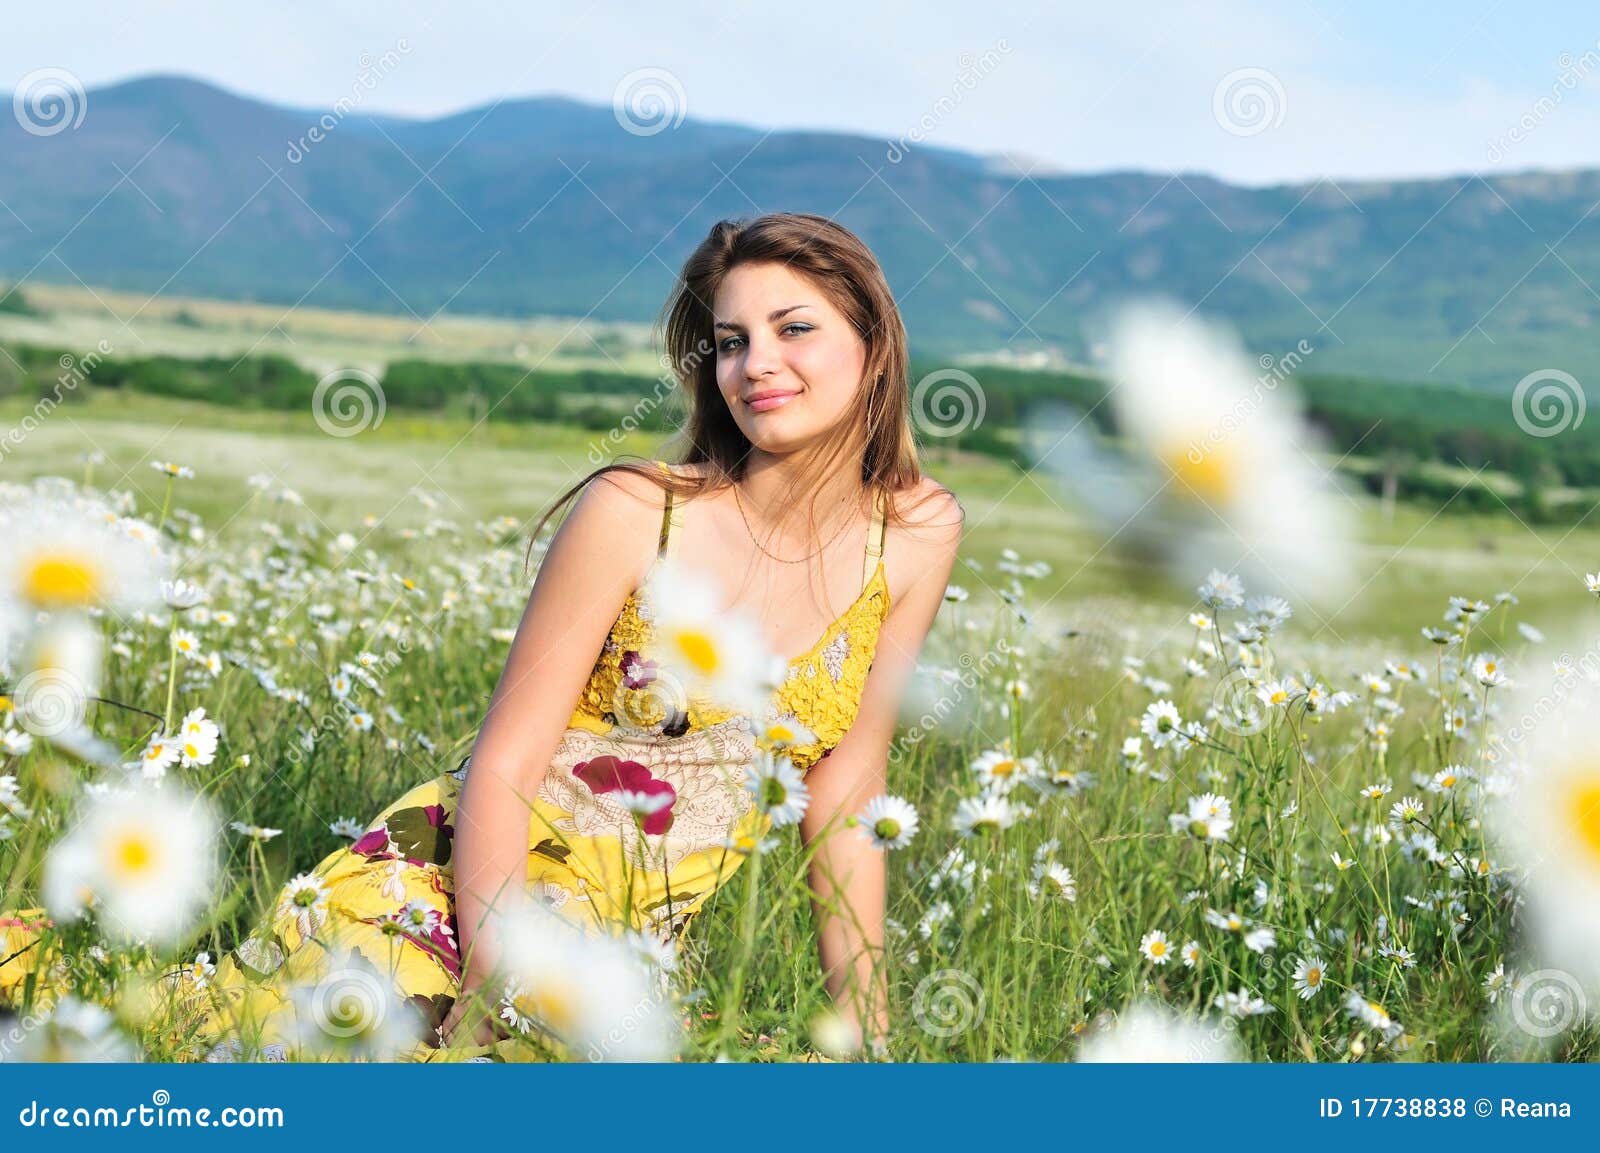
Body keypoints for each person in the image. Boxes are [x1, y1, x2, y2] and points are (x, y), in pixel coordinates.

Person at [9, 211, 964, 1063]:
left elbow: (846, 790)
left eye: (795, 329)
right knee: (272, 1053)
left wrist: (869, 1033)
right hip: (454, 893)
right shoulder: (638, 512)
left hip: (622, 953)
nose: (757, 363)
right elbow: (507, 761)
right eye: (730, 340)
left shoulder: (918, 534)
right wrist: (495, 987)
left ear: (873, 345)